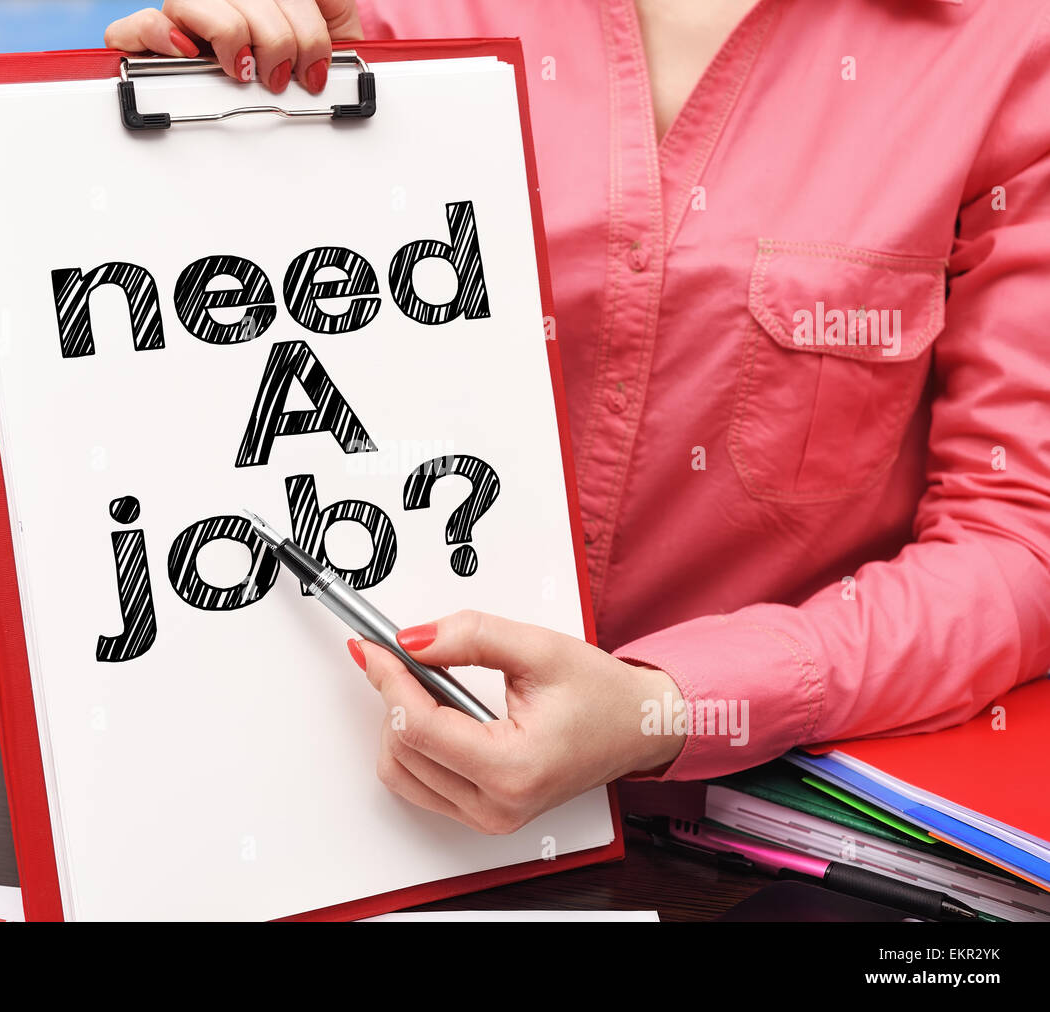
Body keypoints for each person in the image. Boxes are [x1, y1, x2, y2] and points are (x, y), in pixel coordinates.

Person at [105, 1, 1050, 836]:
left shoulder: (1011, 43)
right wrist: (181, 146)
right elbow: (212, 381)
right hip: (338, 788)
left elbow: (1021, 538)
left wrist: (671, 706)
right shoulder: (368, 11)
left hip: (768, 831)